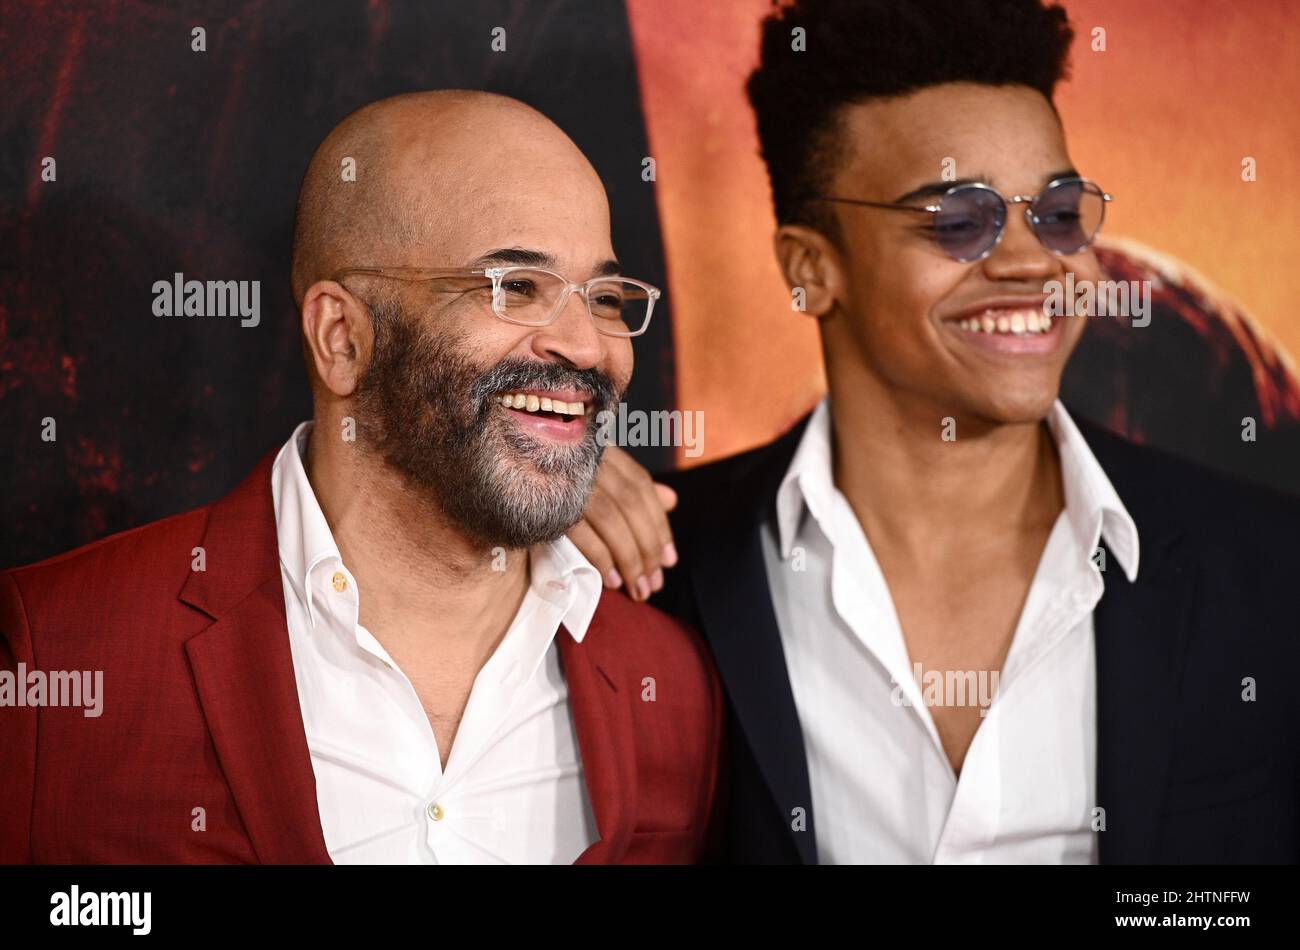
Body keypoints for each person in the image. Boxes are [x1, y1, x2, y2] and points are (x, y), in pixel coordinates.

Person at [568, 0, 1300, 863]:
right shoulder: (651, 567)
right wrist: (533, 512)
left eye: (1060, 212)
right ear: (812, 267)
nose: (1032, 262)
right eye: (960, 220)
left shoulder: (1268, 569)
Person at [0, 90, 722, 865]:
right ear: (342, 338)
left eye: (606, 297)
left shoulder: (673, 689)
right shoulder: (58, 662)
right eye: (515, 287)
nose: (587, 346)